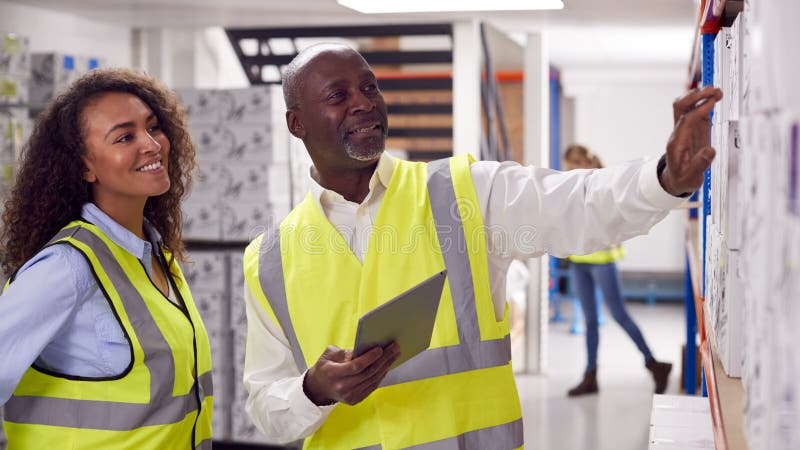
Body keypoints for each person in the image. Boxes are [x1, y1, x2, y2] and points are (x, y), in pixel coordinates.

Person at [241, 43, 722, 448]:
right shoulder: (269, 261)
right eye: (338, 95)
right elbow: (265, 406)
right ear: (296, 123)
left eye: (370, 87)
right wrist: (312, 390)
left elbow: (578, 204)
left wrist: (663, 180)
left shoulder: (462, 192)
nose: (364, 103)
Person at [0, 68, 213, 449]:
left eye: (153, 127)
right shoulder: (67, 267)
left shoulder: (155, 255)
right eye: (125, 137)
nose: (151, 144)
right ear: (84, 166)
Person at [562, 145, 672, 397]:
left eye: (573, 165)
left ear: (584, 162)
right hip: (579, 260)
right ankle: (590, 375)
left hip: (602, 260)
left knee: (619, 314)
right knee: (589, 321)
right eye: (567, 166)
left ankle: (654, 364)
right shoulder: (573, 186)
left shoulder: (603, 183)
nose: (569, 171)